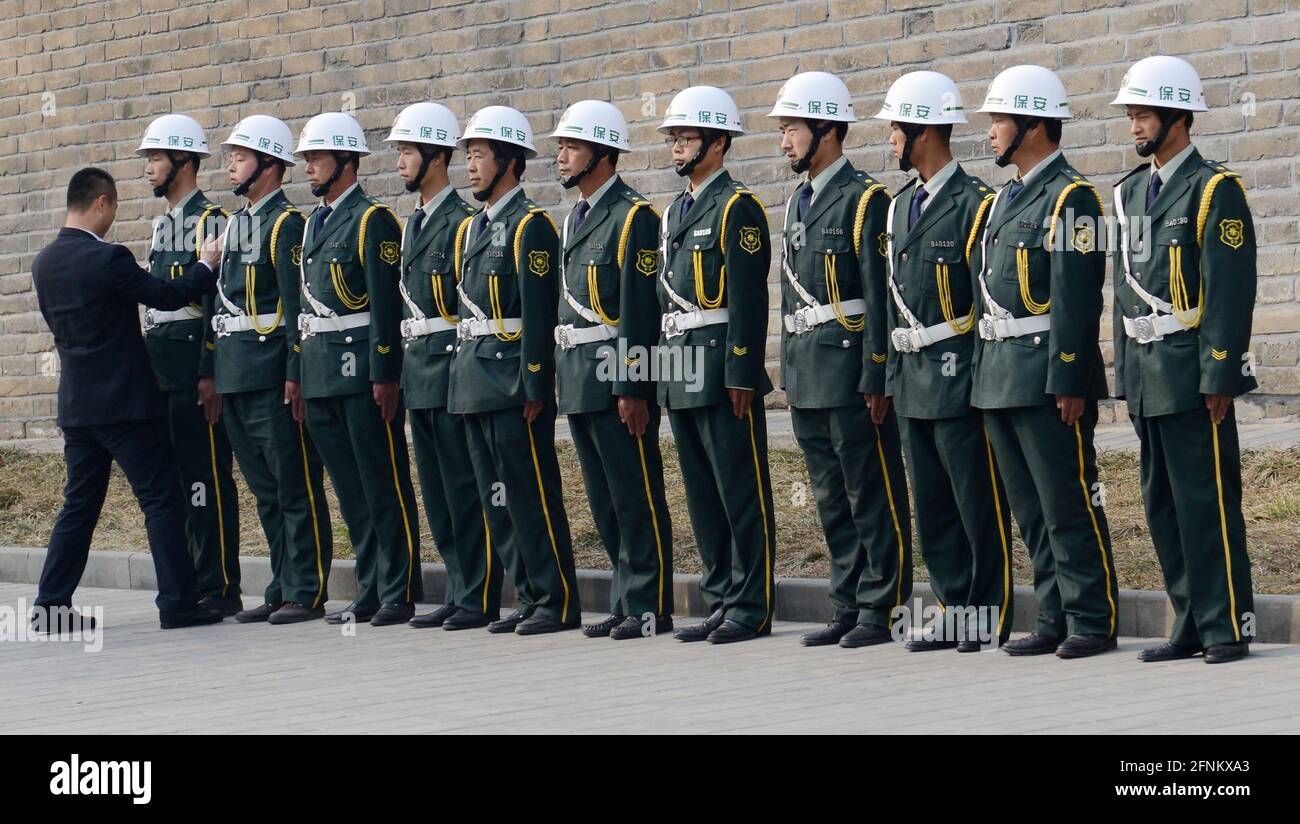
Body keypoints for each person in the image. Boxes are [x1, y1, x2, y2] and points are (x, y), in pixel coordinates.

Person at [31, 167, 225, 630]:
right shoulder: (109, 260)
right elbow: (166, 294)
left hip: (77, 408)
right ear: (102, 203)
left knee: (78, 506)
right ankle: (178, 604)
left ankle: (50, 606)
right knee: (161, 499)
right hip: (127, 407)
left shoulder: (44, 262)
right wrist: (207, 263)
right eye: (113, 208)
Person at [1110, 56, 1256, 664]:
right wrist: (1124, 376)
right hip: (1147, 375)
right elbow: (1124, 288)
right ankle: (1188, 620)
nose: (1135, 124)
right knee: (1162, 504)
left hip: (1193, 374)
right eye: (1133, 114)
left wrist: (1220, 372)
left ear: (1177, 114)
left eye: (1144, 113)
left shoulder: (1214, 190)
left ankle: (1227, 626)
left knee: (1207, 503)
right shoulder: (1128, 192)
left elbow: (1229, 289)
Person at [971, 66, 1120, 659]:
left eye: (999, 120)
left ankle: (1092, 616)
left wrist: (1069, 377)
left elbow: (1079, 299)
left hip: (1045, 376)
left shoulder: (1072, 197)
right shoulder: (1006, 197)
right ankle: (1054, 615)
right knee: (1031, 511)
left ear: (1032, 124)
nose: (989, 133)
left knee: (1067, 502)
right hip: (1000, 376)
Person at [768, 72, 912, 650]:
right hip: (808, 374)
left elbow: (880, 296)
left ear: (825, 128)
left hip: (852, 372)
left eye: (791, 129)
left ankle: (883, 606)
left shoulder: (866, 199)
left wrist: (877, 372)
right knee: (831, 498)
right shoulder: (797, 200)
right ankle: (847, 600)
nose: (784, 142)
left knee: (870, 493)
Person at [872, 71, 1013, 652]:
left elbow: (986, 298)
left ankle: (988, 613)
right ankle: (955, 606)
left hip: (958, 375)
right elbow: (887, 299)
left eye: (895, 129)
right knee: (931, 506)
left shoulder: (976, 204)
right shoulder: (898, 206)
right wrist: (885, 376)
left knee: (976, 503)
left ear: (922, 131)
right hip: (911, 380)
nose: (890, 141)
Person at [656, 86, 777, 645]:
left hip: (721, 370)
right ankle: (721, 594)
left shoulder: (737, 208)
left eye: (687, 138)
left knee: (739, 492)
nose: (678, 147)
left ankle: (750, 604)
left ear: (718, 142)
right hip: (680, 369)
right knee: (703, 495)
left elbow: (750, 302)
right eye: (674, 139)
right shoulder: (674, 211)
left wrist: (741, 373)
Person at [549, 100, 674, 640]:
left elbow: (640, 310)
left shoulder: (634, 216)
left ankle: (650, 604)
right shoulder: (575, 215)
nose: (561, 157)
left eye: (572, 147)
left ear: (602, 152)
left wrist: (633, 385)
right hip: (580, 376)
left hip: (615, 377)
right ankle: (626, 598)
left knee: (634, 494)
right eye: (561, 146)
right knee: (604, 499)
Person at [294, 112, 423, 627]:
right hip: (322, 373)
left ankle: (399, 587)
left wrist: (386, 374)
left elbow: (386, 307)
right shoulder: (313, 225)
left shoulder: (373, 221)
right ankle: (370, 584)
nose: (308, 167)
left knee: (382, 483)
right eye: (306, 158)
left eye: (318, 158)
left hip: (361, 375)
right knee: (350, 490)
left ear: (346, 162)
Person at [208, 115, 333, 625]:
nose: (232, 166)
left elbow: (293, 305)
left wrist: (295, 371)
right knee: (264, 491)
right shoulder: (235, 224)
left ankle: (307, 588)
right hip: (235, 372)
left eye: (240, 157)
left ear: (267, 165)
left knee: (294, 486)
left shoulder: (286, 225)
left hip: (271, 374)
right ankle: (281, 583)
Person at [385, 102, 502, 631]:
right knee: (436, 491)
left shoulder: (460, 222)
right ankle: (458, 586)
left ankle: (478, 593)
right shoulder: (412, 223)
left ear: (436, 155)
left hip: (452, 368)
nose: (400, 162)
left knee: (463, 487)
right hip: (419, 373)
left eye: (408, 151)